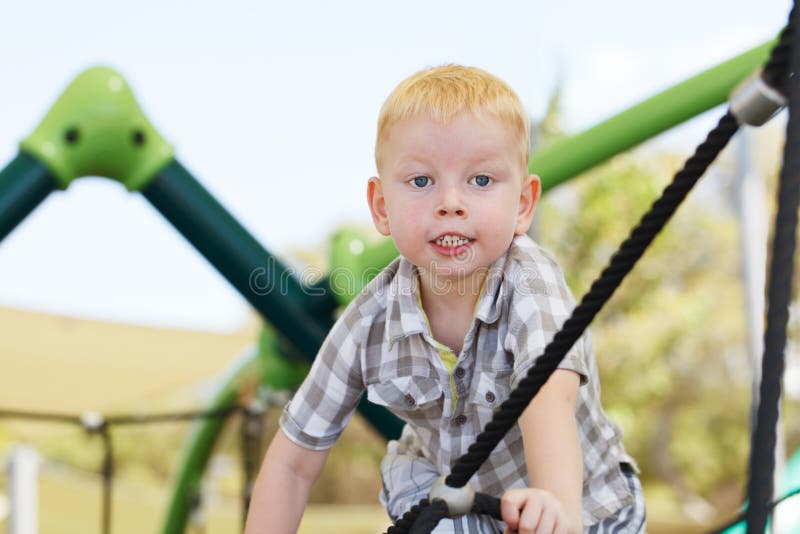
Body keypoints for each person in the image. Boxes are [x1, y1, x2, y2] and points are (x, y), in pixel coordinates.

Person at [244, 65, 645, 534]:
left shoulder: (531, 284)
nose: (450, 202)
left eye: (480, 181)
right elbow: (293, 463)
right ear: (380, 207)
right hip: (462, 506)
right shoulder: (371, 319)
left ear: (523, 204)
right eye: (420, 181)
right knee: (422, 511)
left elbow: (548, 402)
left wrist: (556, 511)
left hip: (588, 512)